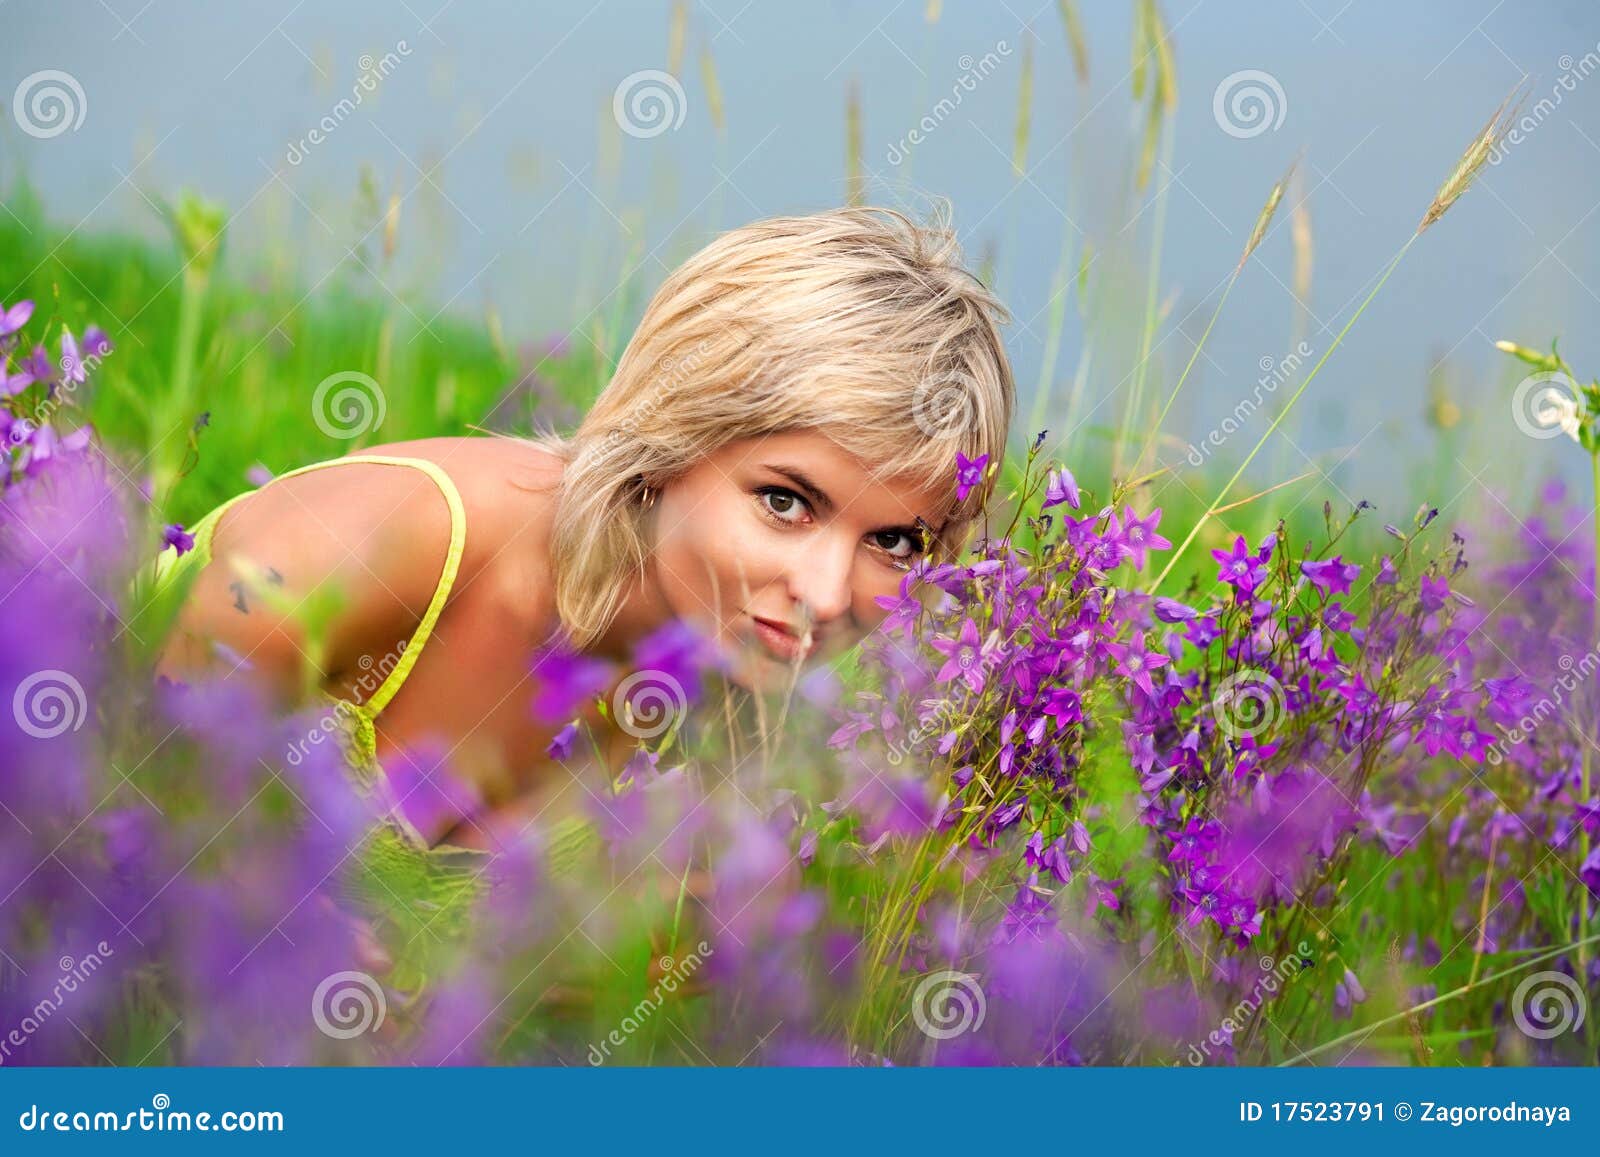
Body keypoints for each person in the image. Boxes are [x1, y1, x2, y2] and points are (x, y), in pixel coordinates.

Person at [151, 203, 1015, 879]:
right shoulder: (397, 537)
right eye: (786, 502)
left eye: (897, 540)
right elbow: (79, 825)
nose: (827, 594)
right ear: (673, 435)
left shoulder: (735, 724)